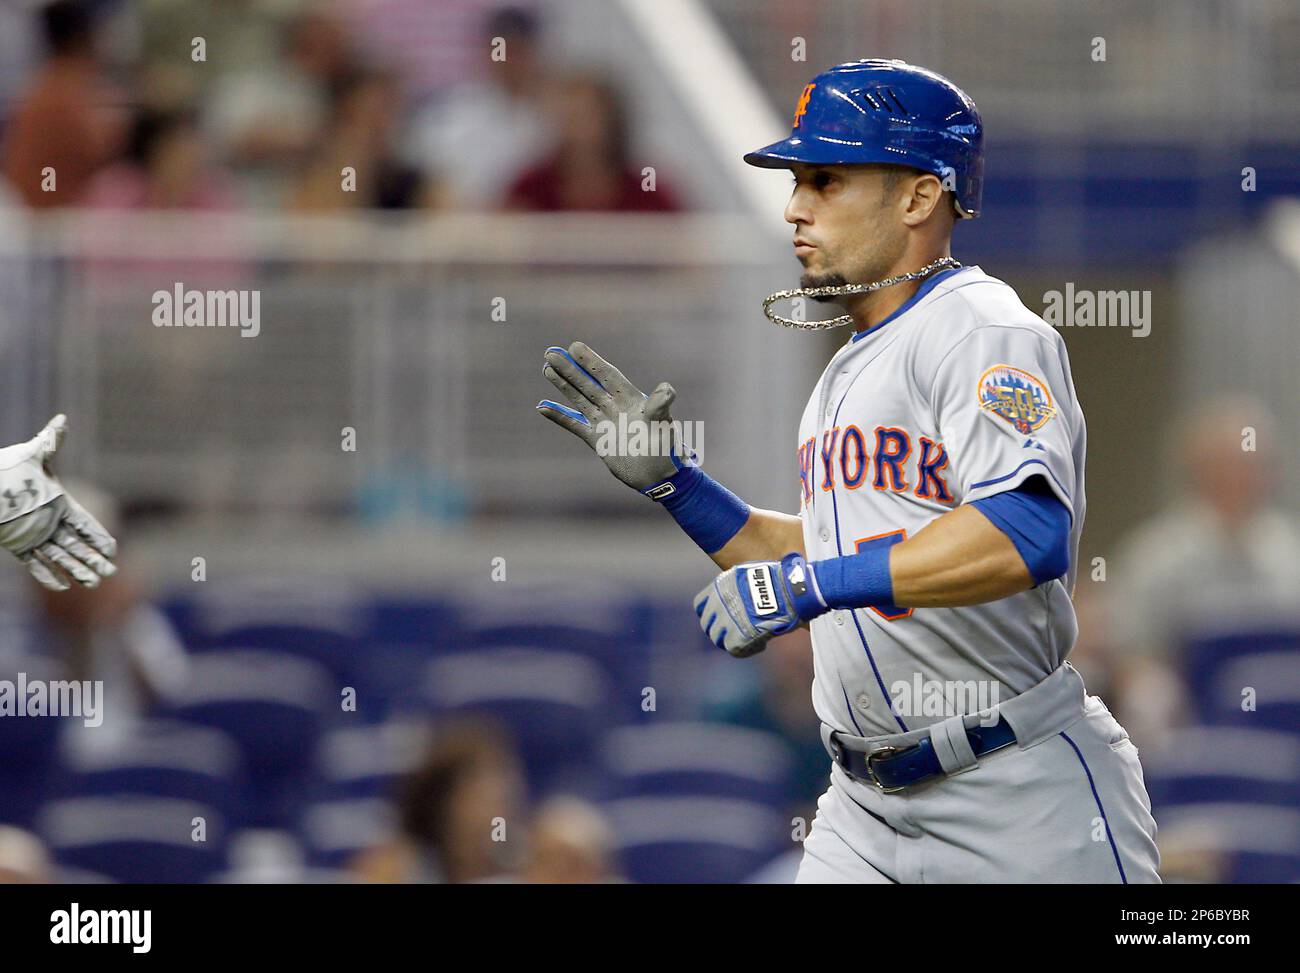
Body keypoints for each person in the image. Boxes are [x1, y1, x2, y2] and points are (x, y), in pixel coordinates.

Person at [537, 60, 1159, 883]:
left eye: (826, 179)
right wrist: (677, 487)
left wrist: (806, 586)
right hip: (863, 806)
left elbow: (1028, 532)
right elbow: (831, 556)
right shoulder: (845, 370)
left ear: (918, 196)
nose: (795, 206)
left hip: (1016, 792)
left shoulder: (980, 327)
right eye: (798, 181)